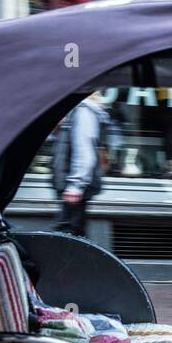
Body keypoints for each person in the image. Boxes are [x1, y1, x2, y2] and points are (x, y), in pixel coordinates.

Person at [49, 92, 110, 237]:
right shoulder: (74, 111)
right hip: (69, 185)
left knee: (68, 234)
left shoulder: (83, 111)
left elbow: (84, 149)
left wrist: (75, 185)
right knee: (72, 234)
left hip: (73, 188)